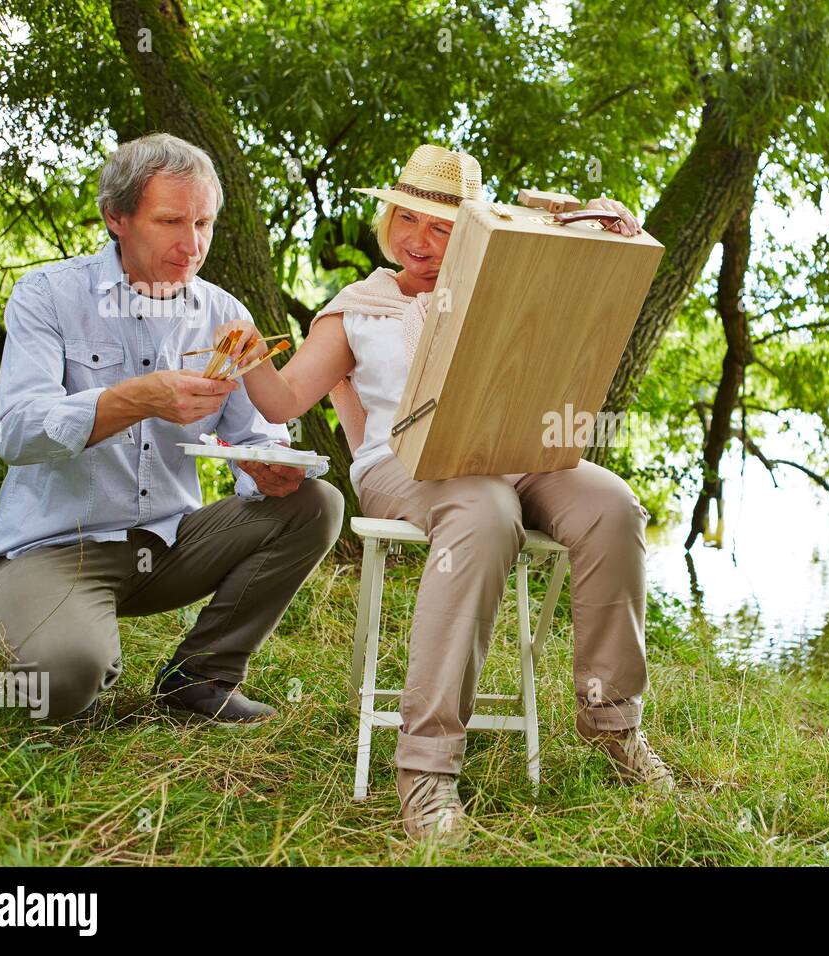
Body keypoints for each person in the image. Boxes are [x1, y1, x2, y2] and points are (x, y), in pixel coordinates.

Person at [218, 143, 673, 840]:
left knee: (612, 505)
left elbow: (595, 291)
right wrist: (248, 356)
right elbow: (282, 401)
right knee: (486, 513)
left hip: (517, 451)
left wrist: (614, 227)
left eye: (441, 228)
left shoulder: (511, 286)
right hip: (406, 465)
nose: (419, 241)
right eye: (407, 220)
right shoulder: (358, 308)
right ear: (387, 220)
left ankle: (612, 724)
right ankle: (427, 774)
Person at [0, 133, 344, 726]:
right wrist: (132, 399)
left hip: (170, 543)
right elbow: (17, 433)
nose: (192, 244)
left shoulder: (227, 314)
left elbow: (253, 433)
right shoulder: (48, 296)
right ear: (116, 218)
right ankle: (75, 643)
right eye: (172, 221)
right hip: (55, 545)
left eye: (204, 223)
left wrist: (266, 465)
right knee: (62, 684)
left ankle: (199, 679)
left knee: (316, 502)